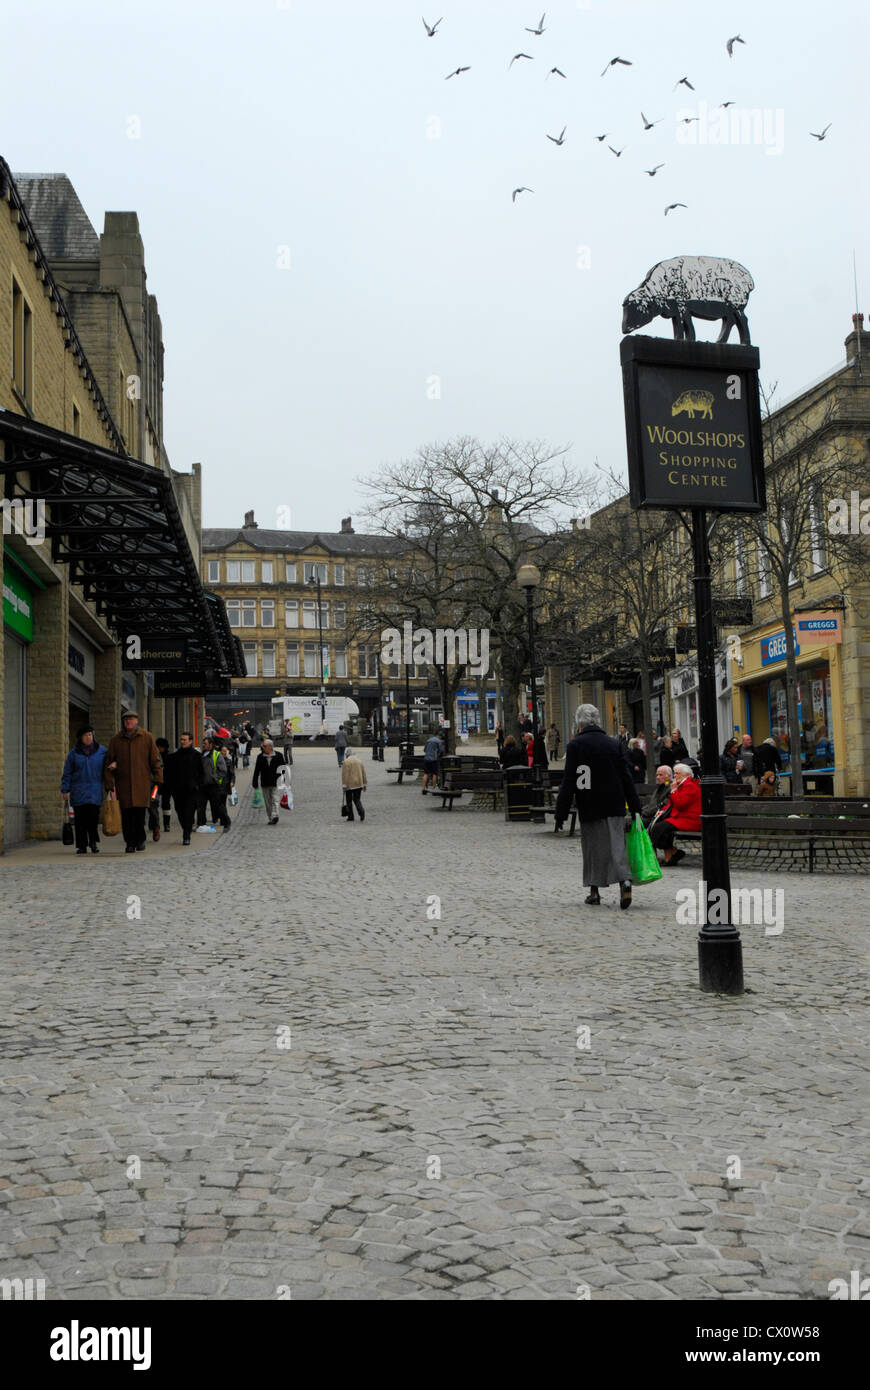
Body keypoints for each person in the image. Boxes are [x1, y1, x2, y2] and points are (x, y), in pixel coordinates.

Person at [555, 703, 641, 909]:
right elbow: (626, 776)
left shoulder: (575, 745)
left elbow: (569, 780)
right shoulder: (613, 744)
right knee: (617, 845)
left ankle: (594, 891)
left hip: (589, 802)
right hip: (614, 802)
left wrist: (561, 812)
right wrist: (635, 805)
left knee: (593, 848)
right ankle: (625, 881)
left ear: (579, 722)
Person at [105, 712, 163, 853]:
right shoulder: (116, 740)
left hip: (141, 784)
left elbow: (155, 760)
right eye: (125, 720)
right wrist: (109, 784)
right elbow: (108, 763)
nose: (128, 722)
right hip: (123, 785)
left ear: (136, 721)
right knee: (126, 817)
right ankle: (129, 843)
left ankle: (140, 840)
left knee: (139, 815)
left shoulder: (147, 737)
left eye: (130, 719)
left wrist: (158, 778)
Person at [61, 725, 107, 854]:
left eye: (90, 735)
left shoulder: (102, 751)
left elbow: (109, 765)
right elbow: (67, 772)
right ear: (81, 738)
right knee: (80, 820)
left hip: (94, 791)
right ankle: (81, 845)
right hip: (78, 791)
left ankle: (93, 843)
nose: (89, 737)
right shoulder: (73, 754)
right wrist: (65, 789)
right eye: (86, 735)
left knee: (93, 819)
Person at [649, 763, 701, 867]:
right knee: (659, 827)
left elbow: (680, 804)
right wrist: (662, 811)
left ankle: (672, 853)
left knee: (659, 828)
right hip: (681, 818)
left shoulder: (689, 786)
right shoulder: (682, 785)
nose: (675, 776)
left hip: (690, 820)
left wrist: (673, 791)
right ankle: (673, 853)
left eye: (677, 773)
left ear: (686, 775)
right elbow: (671, 804)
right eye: (675, 773)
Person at [165, 731, 204, 845]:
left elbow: (201, 773)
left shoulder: (197, 756)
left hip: (191, 791)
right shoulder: (174, 757)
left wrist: (197, 785)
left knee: (189, 813)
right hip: (178, 791)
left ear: (190, 741)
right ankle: (186, 829)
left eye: (184, 740)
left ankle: (186, 835)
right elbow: (169, 774)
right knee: (180, 812)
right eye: (181, 739)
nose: (182, 742)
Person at [199, 735, 232, 833]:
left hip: (213, 786)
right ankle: (201, 824)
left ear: (211, 744)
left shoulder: (217, 755)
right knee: (201, 806)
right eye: (203, 744)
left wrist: (214, 779)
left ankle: (226, 822)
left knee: (218, 806)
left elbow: (223, 770)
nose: (203, 745)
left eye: (205, 744)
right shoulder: (201, 755)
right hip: (203, 786)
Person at [251, 738, 286, 825]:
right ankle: (270, 817)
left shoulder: (279, 755)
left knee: (275, 799)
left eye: (265, 746)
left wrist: (285, 779)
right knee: (267, 802)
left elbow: (283, 768)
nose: (263, 747)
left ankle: (275, 815)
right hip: (265, 782)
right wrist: (254, 781)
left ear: (270, 747)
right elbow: (257, 770)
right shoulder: (260, 757)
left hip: (275, 781)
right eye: (263, 746)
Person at [148, 737, 171, 840]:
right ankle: (153, 824)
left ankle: (166, 824)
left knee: (164, 803)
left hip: (163, 785)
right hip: (154, 785)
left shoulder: (168, 757)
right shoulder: (151, 755)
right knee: (152, 803)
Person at [341, 750, 367, 821]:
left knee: (349, 800)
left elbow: (345, 775)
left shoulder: (346, 762)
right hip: (359, 783)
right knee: (357, 799)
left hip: (349, 784)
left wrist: (344, 785)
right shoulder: (359, 761)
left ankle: (350, 816)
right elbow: (363, 773)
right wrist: (364, 784)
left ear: (347, 755)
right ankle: (361, 811)